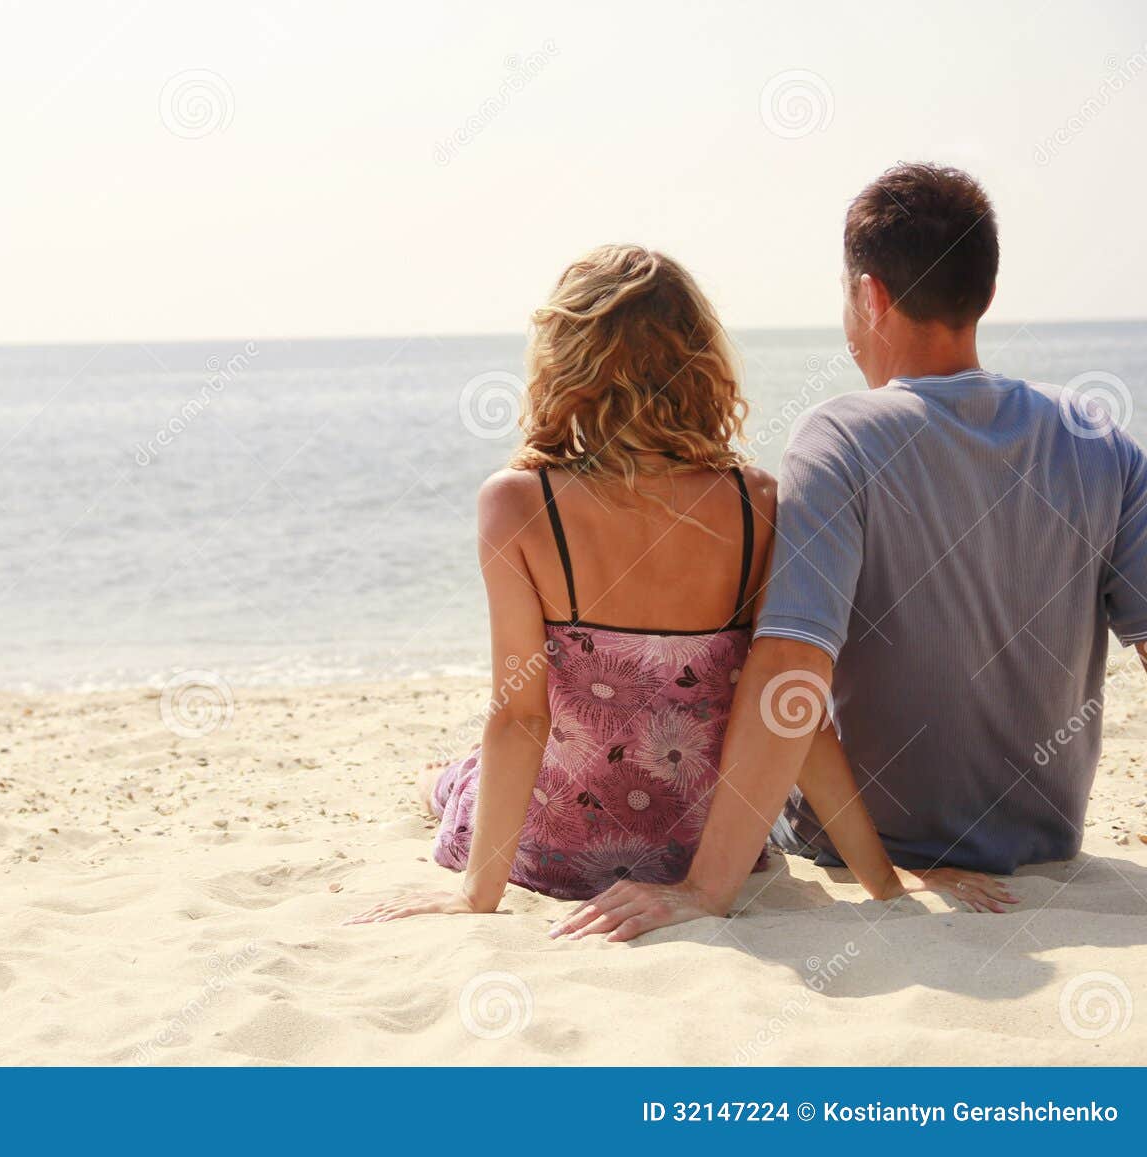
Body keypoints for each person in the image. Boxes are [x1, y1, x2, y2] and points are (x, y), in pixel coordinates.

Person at [553, 163, 1147, 942]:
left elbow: (792, 669)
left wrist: (706, 888)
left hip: (852, 846)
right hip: (1042, 846)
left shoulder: (840, 436)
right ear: (986, 293)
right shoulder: (1097, 437)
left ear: (870, 295)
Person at [346, 243, 1009, 929]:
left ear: (564, 364)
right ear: (700, 364)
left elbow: (520, 718)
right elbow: (793, 709)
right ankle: (441, 776)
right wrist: (884, 880)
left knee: (462, 778)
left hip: (553, 853)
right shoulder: (757, 504)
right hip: (699, 848)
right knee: (463, 772)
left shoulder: (516, 504)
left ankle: (436, 780)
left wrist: (474, 896)